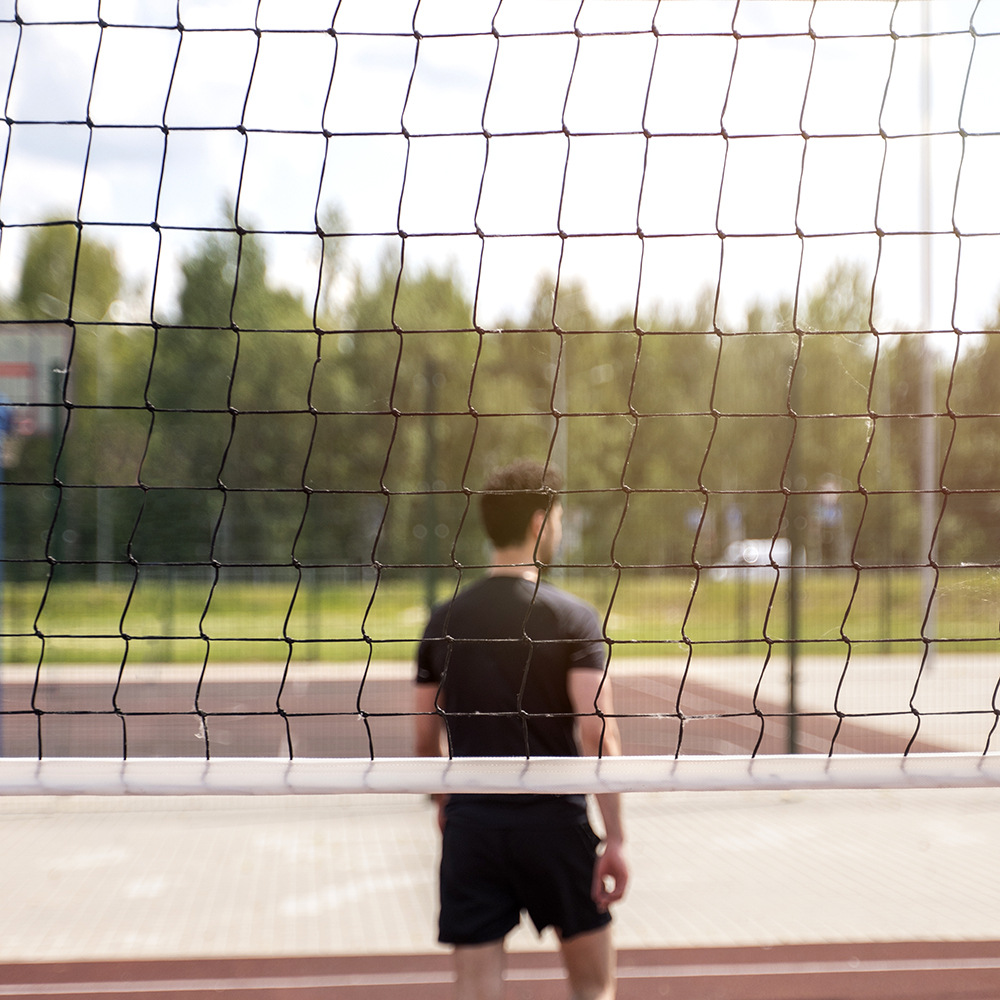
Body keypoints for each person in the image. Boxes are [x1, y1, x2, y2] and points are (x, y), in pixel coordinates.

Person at [414, 459, 627, 1000]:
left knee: (475, 992)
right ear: (539, 523)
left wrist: (447, 805)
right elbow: (597, 732)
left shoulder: (444, 621)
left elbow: (423, 739)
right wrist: (617, 838)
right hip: (555, 822)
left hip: (474, 824)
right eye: (557, 517)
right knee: (593, 989)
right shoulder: (572, 618)